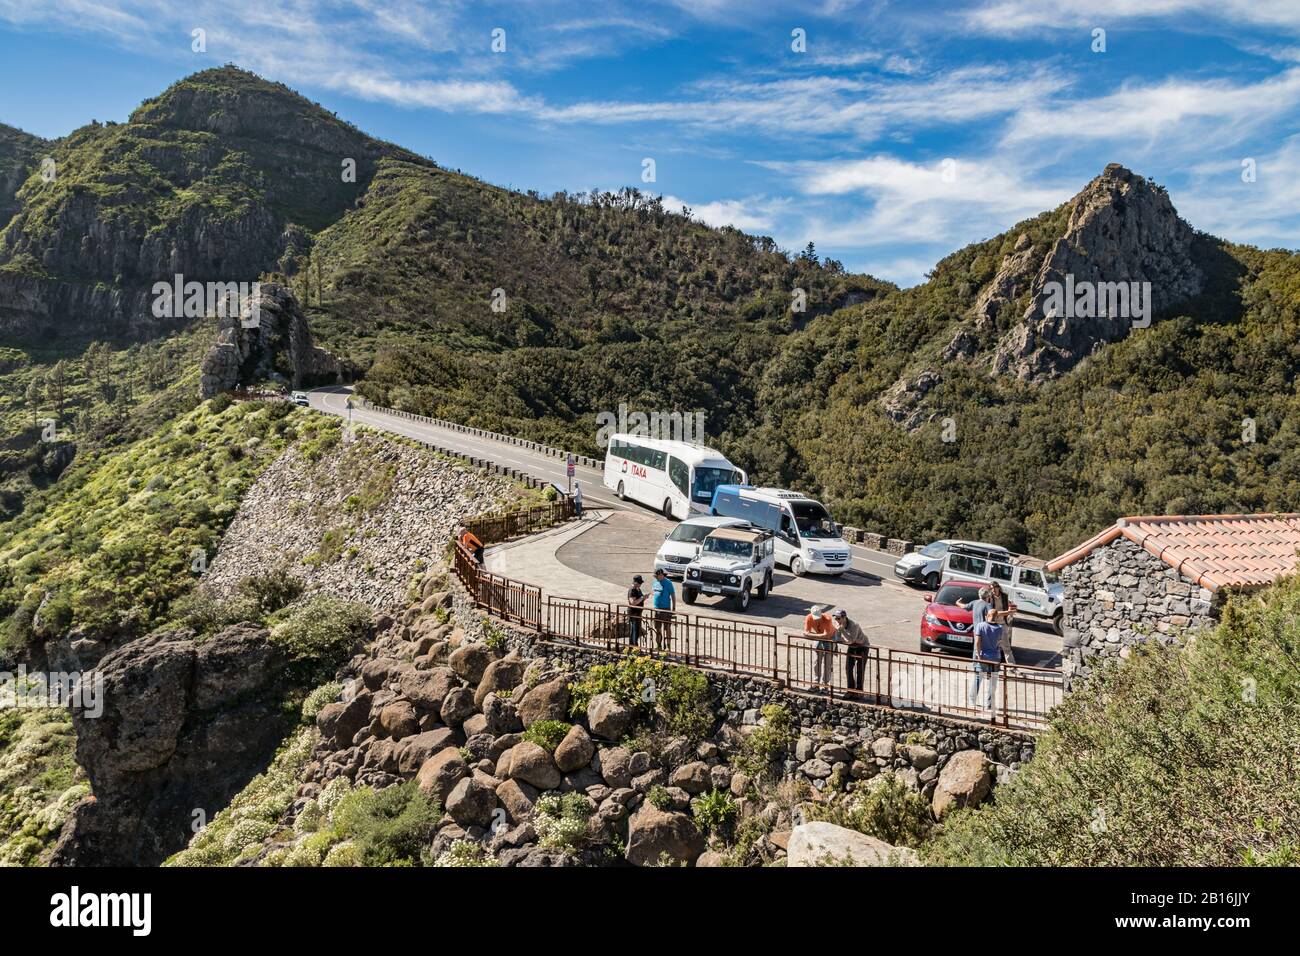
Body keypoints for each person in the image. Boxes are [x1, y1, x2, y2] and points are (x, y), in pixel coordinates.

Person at [969, 613, 1004, 720]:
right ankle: (988, 703)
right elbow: (999, 642)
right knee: (993, 680)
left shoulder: (980, 625)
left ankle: (972, 700)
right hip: (995, 657)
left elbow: (978, 642)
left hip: (983, 656)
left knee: (978, 677)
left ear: (986, 616)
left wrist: (979, 655)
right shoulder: (1000, 628)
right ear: (997, 617)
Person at [834, 609, 870, 696]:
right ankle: (850, 690)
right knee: (848, 668)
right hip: (852, 646)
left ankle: (859, 691)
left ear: (844, 617)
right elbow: (837, 638)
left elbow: (851, 640)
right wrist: (839, 632)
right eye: (836, 618)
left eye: (838, 618)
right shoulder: (839, 624)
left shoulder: (854, 625)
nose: (837, 620)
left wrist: (842, 631)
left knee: (860, 669)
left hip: (862, 646)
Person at [803, 605, 838, 692]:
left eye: (818, 617)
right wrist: (818, 636)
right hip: (819, 638)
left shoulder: (827, 618)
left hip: (830, 638)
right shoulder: (808, 618)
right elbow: (805, 633)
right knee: (816, 661)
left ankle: (825, 685)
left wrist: (812, 635)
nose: (817, 619)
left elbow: (826, 635)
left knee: (827, 662)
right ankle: (816, 684)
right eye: (815, 617)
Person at [988, 580, 1016, 664]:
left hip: (1003, 623)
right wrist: (1007, 612)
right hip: (993, 624)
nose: (993, 590)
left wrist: (1011, 611)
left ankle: (1011, 666)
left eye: (994, 588)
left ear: (998, 588)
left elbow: (1009, 607)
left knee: (1006, 647)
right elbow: (993, 612)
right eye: (991, 588)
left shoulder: (1004, 596)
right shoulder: (990, 598)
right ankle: (991, 664)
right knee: (993, 646)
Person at [651, 568, 676, 651]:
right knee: (658, 628)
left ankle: (668, 646)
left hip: (666, 609)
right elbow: (654, 592)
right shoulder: (655, 582)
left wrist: (673, 608)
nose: (655, 578)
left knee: (667, 628)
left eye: (656, 576)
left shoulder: (668, 583)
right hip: (657, 609)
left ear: (661, 575)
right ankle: (659, 645)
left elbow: (673, 595)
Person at [626, 574, 646, 648]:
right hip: (633, 613)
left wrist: (644, 598)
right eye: (639, 583)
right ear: (635, 582)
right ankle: (633, 646)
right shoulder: (632, 589)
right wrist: (642, 598)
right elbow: (632, 602)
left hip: (638, 613)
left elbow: (639, 599)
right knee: (634, 630)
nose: (640, 584)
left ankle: (635, 645)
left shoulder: (637, 589)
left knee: (637, 630)